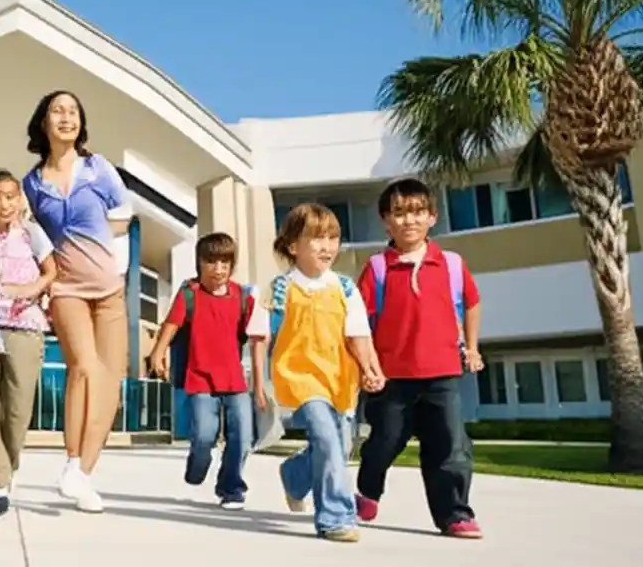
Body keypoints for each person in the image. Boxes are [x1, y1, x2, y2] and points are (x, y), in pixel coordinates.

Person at [354, 178, 484, 539]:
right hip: (391, 378)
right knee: (383, 443)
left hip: (443, 373)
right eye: (399, 213)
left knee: (450, 447)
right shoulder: (378, 267)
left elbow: (472, 303)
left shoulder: (452, 264)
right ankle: (367, 491)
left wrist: (471, 347)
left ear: (432, 217)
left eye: (417, 212)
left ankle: (454, 514)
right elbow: (357, 323)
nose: (408, 220)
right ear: (385, 220)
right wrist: (366, 368)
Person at [22, 90, 130, 513]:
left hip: (109, 289)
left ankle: (83, 473)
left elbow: (124, 213)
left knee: (110, 382)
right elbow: (30, 232)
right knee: (83, 369)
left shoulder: (98, 168)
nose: (66, 118)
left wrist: (102, 234)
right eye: (57, 112)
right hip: (65, 288)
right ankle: (71, 459)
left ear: (80, 123)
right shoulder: (33, 182)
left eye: (73, 112)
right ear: (43, 123)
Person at [249, 203, 384, 542]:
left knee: (337, 444)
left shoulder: (344, 287)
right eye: (317, 238)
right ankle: (336, 517)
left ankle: (295, 476)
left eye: (333, 238)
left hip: (340, 379)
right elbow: (259, 337)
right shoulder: (278, 289)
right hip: (299, 377)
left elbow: (359, 334)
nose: (327, 246)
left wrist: (371, 367)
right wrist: (258, 384)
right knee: (326, 437)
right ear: (293, 246)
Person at [147, 232, 257, 510]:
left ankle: (231, 488)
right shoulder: (189, 294)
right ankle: (198, 463)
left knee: (242, 437)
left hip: (235, 380)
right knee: (205, 435)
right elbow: (170, 326)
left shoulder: (242, 296)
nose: (218, 269)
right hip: (200, 378)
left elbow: (256, 333)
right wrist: (158, 353)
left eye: (225, 262)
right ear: (200, 263)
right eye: (212, 262)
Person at [0, 170, 56, 517]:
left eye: (11, 196)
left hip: (25, 325)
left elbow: (51, 270)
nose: (4, 204)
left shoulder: (31, 233)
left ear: (20, 199)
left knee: (17, 409)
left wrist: (31, 289)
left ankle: (8, 469)